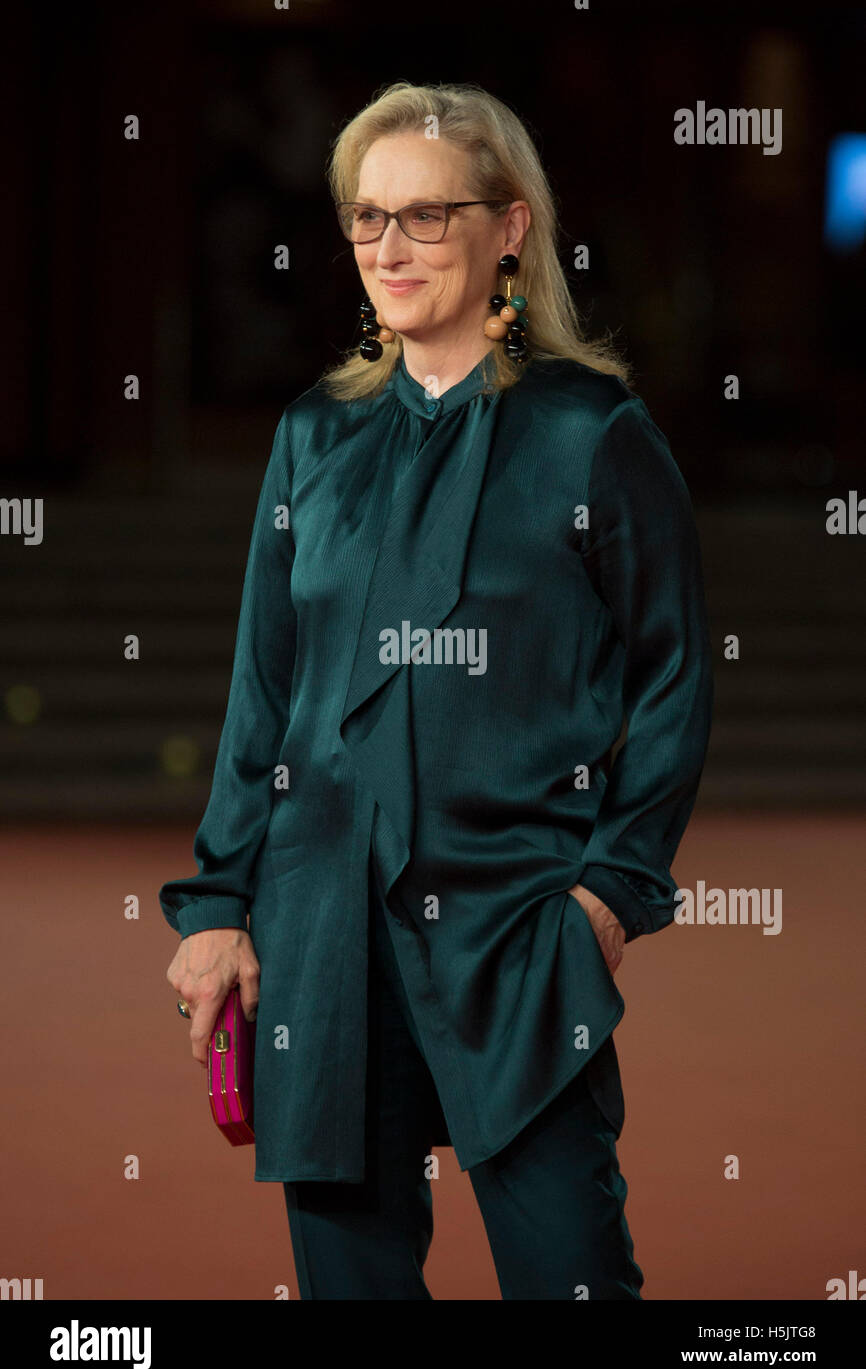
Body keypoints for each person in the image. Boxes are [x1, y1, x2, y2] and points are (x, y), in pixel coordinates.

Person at [159, 80, 714, 1300]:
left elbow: (673, 678)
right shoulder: (312, 435)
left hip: (520, 931)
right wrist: (214, 906)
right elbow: (268, 689)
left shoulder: (591, 434)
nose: (389, 249)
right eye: (367, 219)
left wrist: (609, 897)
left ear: (508, 229)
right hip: (320, 934)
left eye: (425, 215)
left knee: (570, 1270)